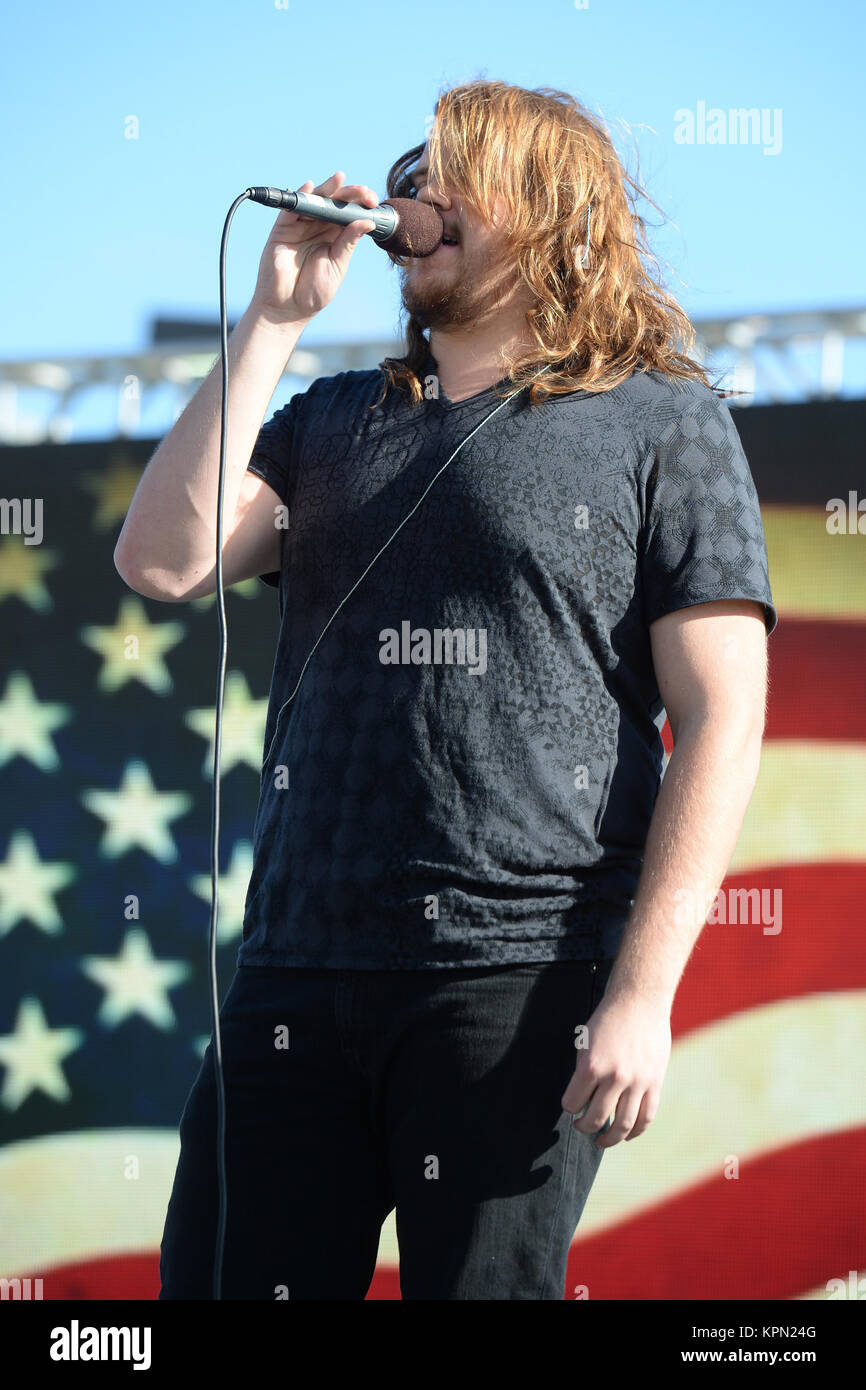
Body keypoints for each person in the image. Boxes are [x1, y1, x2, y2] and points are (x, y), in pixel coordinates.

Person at [115, 79, 777, 1301]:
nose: (412, 195)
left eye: (448, 173)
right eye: (405, 172)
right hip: (295, 973)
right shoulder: (329, 421)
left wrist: (640, 991)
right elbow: (160, 558)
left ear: (546, 208)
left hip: (518, 982)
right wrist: (272, 318)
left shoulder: (657, 418)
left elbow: (724, 714)